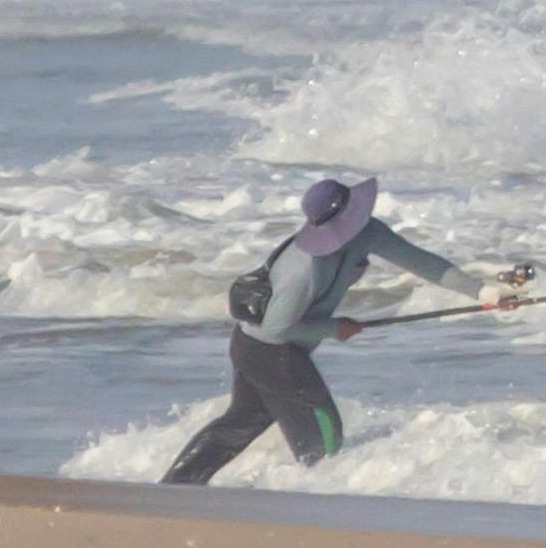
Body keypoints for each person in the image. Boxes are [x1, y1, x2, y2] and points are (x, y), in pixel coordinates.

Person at [162, 173, 518, 484]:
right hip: (268, 351)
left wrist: (484, 292)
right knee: (324, 430)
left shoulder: (368, 233)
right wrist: (334, 328)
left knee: (243, 422)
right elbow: (277, 328)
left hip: (271, 349)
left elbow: (422, 262)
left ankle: (176, 488)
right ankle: (314, 497)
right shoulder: (305, 268)